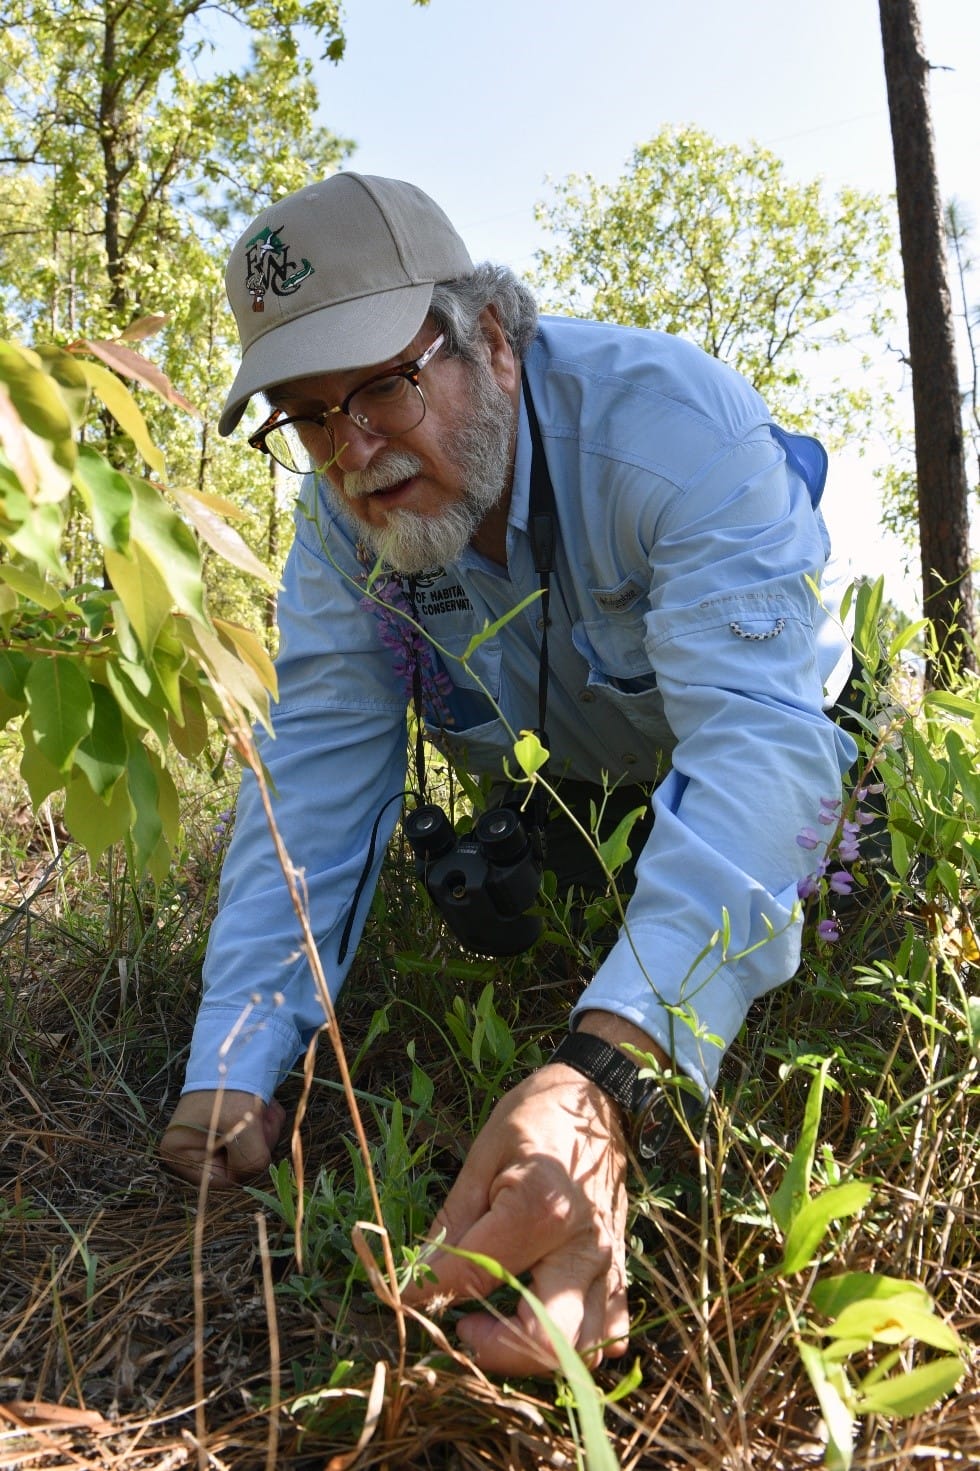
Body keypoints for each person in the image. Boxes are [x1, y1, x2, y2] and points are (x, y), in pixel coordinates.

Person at [160, 172, 856, 1375]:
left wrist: (601, 1071)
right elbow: (320, 769)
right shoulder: (339, 528)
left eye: (382, 385)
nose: (355, 451)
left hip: (776, 740)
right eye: (309, 417)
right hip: (563, 791)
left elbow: (758, 748)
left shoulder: (672, 435)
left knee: (830, 902)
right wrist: (235, 1056)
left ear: (489, 335)